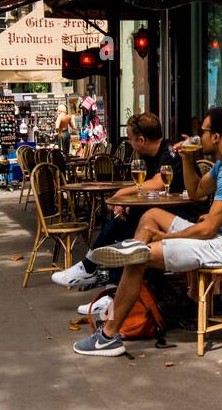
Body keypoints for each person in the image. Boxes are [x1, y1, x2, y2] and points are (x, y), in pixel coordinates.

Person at [73, 107, 222, 356]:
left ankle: (108, 335)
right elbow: (196, 193)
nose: (198, 137)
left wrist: (167, 238)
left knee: (137, 258)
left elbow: (207, 229)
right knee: (151, 215)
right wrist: (186, 158)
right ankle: (130, 280)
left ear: (216, 137)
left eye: (202, 132)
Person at [52, 111, 184, 293]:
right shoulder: (148, 156)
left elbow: (158, 183)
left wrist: (122, 194)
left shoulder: (170, 152)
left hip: (183, 214)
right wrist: (127, 201)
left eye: (130, 139)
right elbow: (148, 188)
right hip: (162, 212)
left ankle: (93, 270)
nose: (129, 143)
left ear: (142, 140)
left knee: (126, 222)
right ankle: (110, 286)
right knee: (123, 218)